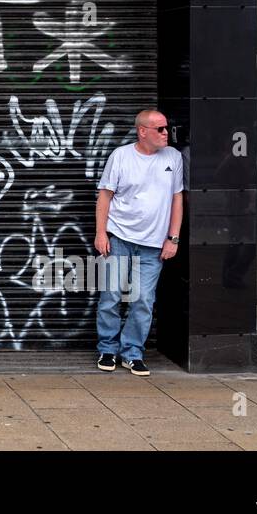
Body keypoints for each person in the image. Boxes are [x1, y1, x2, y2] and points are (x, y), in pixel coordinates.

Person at [93, 109, 183, 376]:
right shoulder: (121, 156)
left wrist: (173, 238)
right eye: (160, 129)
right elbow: (105, 196)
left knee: (143, 299)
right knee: (110, 296)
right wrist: (101, 233)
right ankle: (107, 349)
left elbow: (178, 198)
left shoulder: (173, 158)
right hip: (119, 237)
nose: (166, 133)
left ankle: (131, 352)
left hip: (154, 243)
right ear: (142, 131)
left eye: (166, 128)